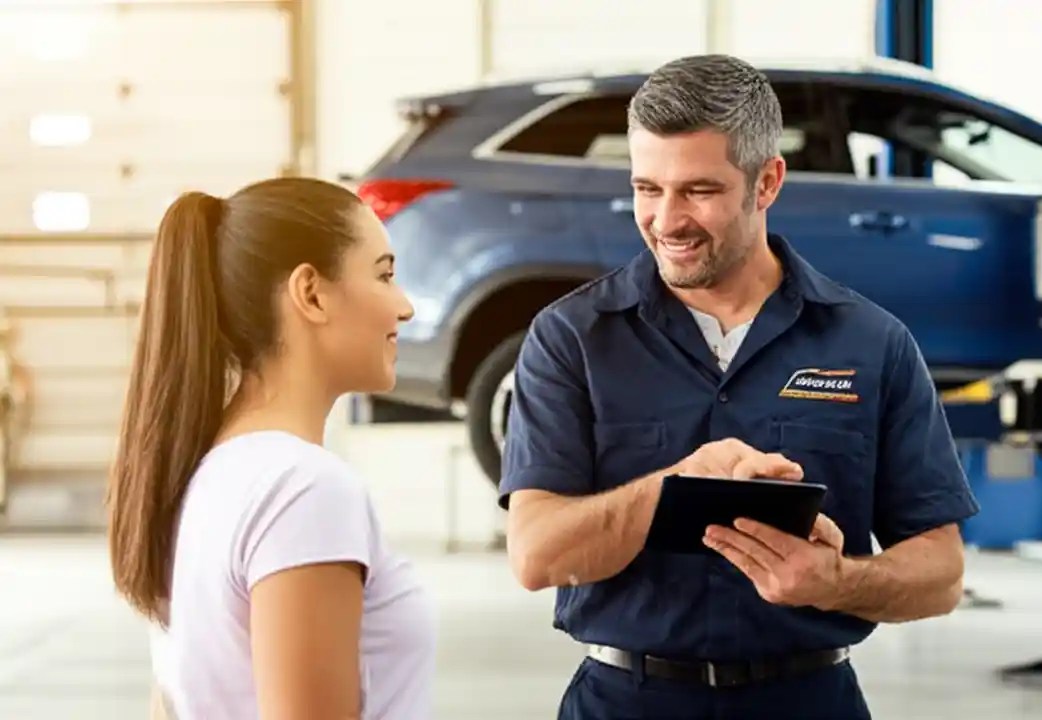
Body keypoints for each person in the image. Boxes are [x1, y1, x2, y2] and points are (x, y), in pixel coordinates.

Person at [499, 54, 980, 719]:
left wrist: (839, 582)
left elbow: (941, 574)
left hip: (809, 700)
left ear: (767, 181)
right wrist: (676, 487)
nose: (667, 221)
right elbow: (535, 555)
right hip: (625, 702)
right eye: (648, 188)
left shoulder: (871, 344)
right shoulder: (572, 339)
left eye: (698, 190)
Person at [105, 177, 434, 719]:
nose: (404, 307)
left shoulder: (203, 473)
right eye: (384, 275)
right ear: (311, 293)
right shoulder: (303, 488)